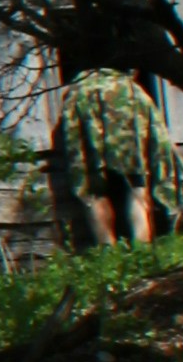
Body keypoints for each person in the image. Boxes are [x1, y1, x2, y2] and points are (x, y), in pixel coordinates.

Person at [52, 64, 175, 248]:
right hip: (130, 149)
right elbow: (157, 131)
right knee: (137, 188)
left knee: (94, 193)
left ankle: (107, 252)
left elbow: (72, 133)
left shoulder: (79, 92)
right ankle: (142, 249)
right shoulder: (133, 89)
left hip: (93, 149)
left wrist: (78, 167)